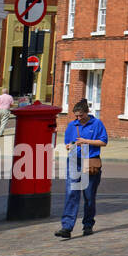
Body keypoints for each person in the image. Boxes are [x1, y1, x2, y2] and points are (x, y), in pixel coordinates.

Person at [54, 99, 108, 239]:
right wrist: (69, 146)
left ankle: (88, 224)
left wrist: (86, 141)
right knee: (71, 193)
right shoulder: (72, 125)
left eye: (81, 115)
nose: (78, 118)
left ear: (87, 112)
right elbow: (68, 143)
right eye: (76, 116)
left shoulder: (97, 124)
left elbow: (103, 142)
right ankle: (66, 227)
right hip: (73, 162)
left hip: (90, 163)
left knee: (89, 196)